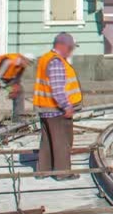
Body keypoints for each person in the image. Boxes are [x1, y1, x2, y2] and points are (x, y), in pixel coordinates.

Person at [34, 33, 82, 180]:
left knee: (48, 140)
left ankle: (43, 170)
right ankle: (62, 173)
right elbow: (58, 88)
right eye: (70, 48)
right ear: (62, 46)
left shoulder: (45, 58)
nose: (70, 51)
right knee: (62, 141)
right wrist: (66, 106)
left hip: (45, 107)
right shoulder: (56, 62)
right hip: (56, 109)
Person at [0, 53, 35, 129]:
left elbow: (17, 79)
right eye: (28, 62)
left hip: (7, 78)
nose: (27, 65)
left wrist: (15, 89)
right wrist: (9, 89)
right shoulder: (8, 62)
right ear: (23, 59)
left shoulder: (22, 66)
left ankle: (18, 123)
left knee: (19, 92)